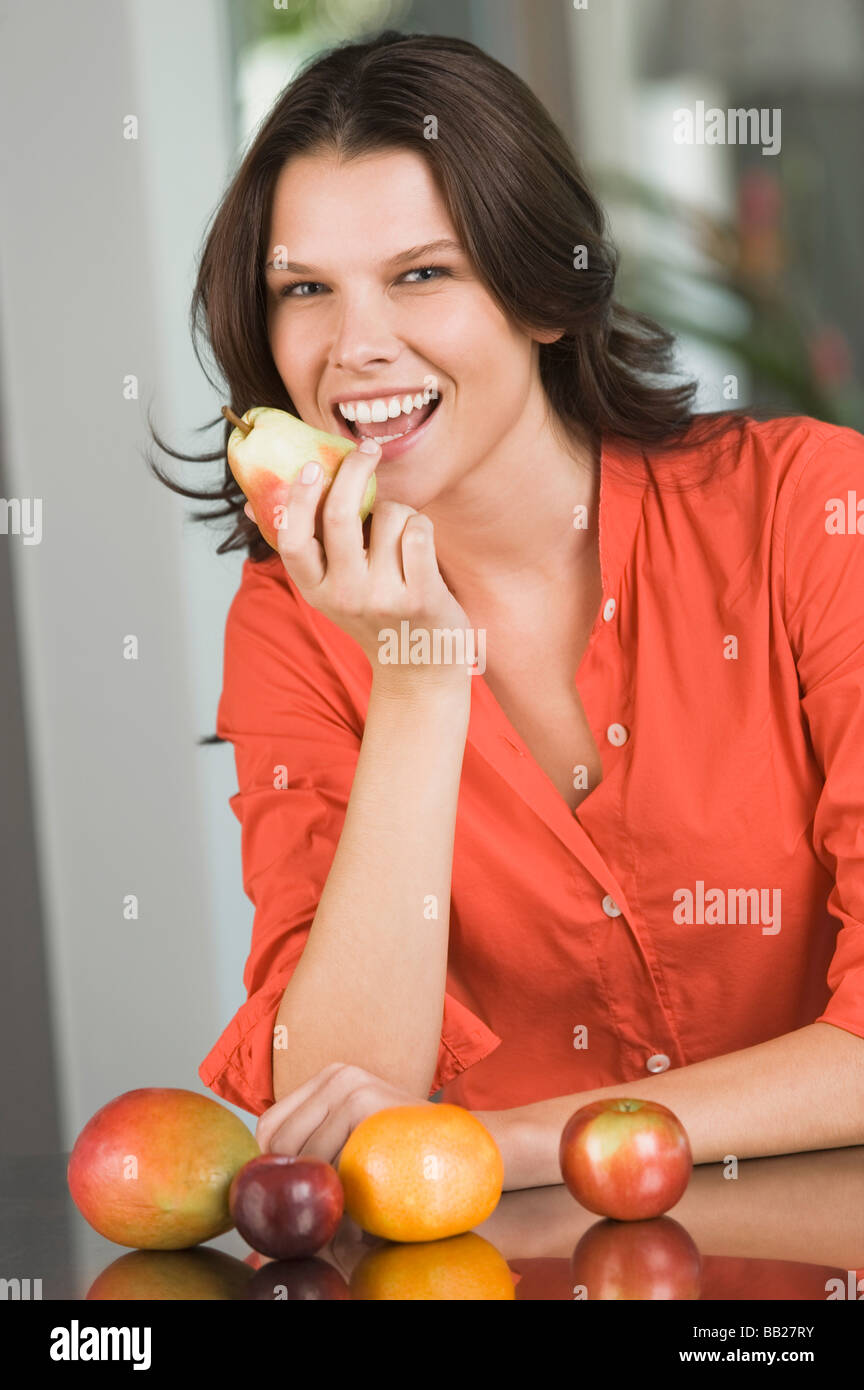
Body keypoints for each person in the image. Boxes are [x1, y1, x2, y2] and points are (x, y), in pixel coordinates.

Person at [151, 31, 864, 1190]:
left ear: (543, 296)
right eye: (304, 290)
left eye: (421, 273)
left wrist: (509, 1143)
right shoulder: (292, 623)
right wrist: (420, 678)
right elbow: (329, 1104)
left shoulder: (811, 516)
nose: (356, 346)